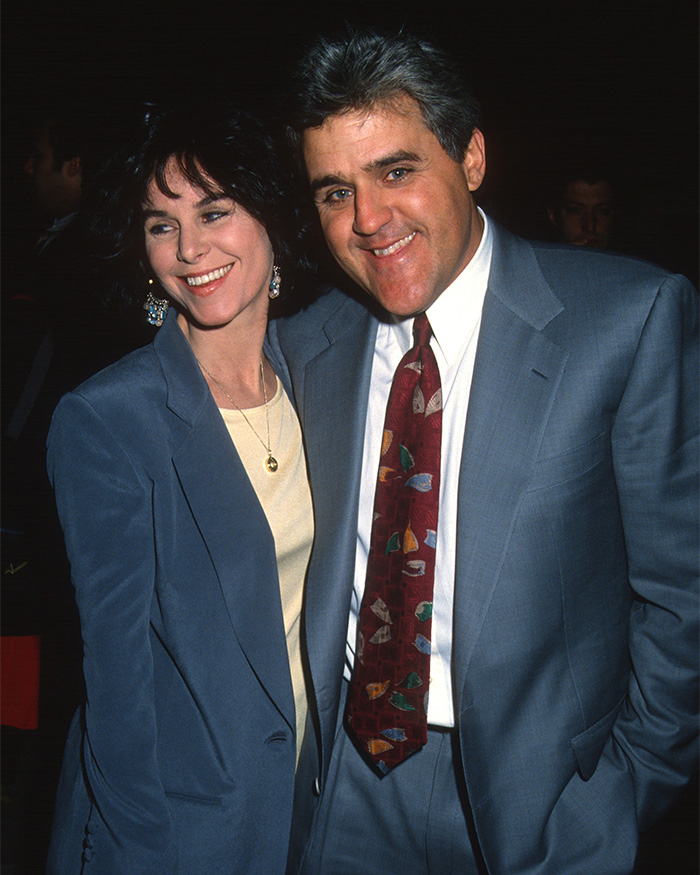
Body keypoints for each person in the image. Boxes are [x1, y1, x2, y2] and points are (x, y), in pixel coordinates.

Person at [269, 29, 699, 874]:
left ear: (470, 157)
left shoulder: (628, 320)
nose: (366, 220)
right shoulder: (305, 346)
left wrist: (616, 797)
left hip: (540, 800)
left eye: (396, 171)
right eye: (333, 191)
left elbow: (683, 599)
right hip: (341, 790)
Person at [45, 104, 313, 874]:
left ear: (272, 216)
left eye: (215, 211)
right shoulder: (108, 419)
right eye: (161, 224)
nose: (190, 248)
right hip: (181, 833)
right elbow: (117, 693)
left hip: (303, 812)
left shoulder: (310, 379)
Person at [547, 166, 616, 248]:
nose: (590, 227)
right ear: (553, 215)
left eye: (602, 211)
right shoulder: (531, 259)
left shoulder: (630, 260)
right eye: (575, 210)